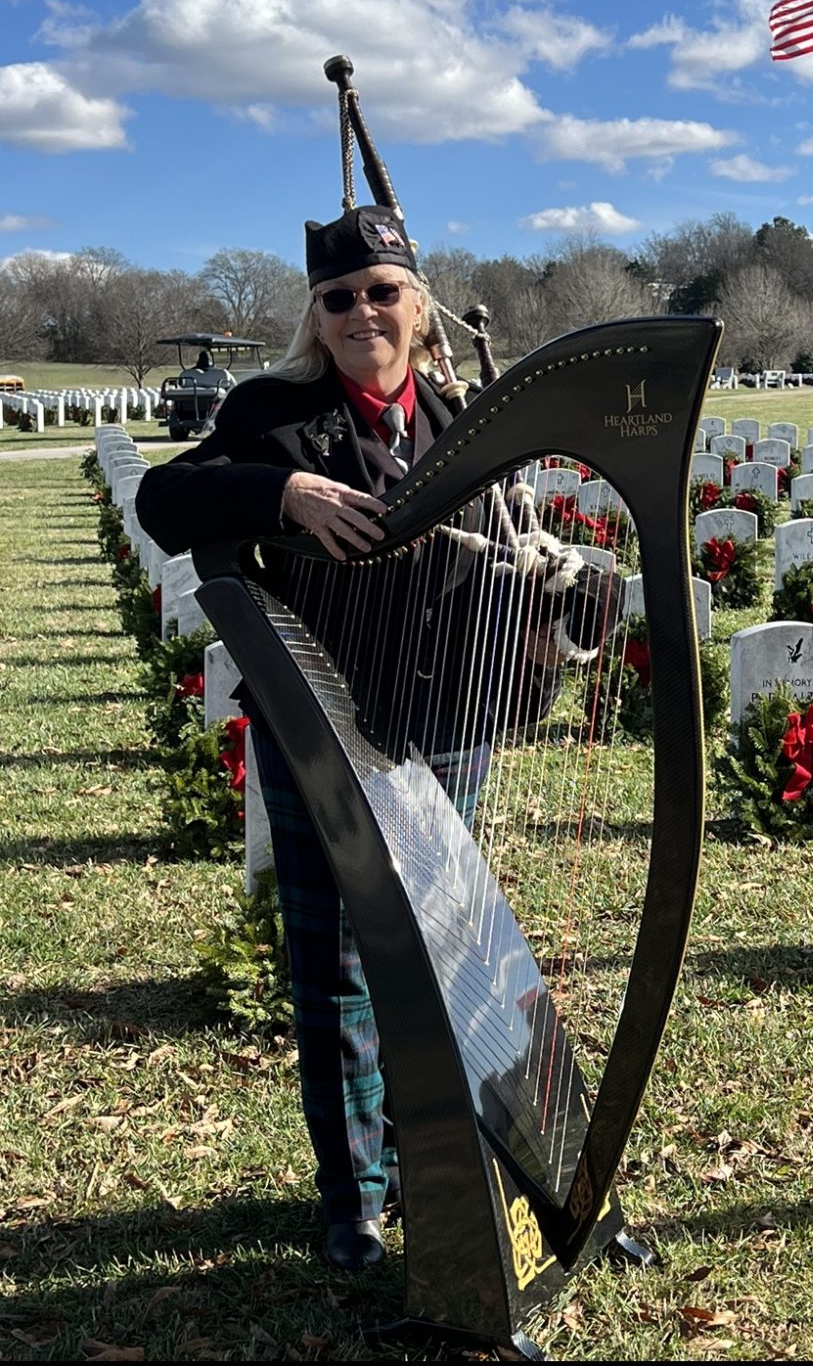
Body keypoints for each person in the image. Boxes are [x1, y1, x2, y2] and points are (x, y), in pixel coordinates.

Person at [136, 204, 620, 1272]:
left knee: (444, 957)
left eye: (381, 291)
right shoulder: (274, 413)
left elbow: (484, 581)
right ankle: (352, 1200)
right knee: (340, 973)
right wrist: (285, 493)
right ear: (317, 313)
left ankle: (433, 1160)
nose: (362, 311)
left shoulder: (466, 421)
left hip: (444, 729)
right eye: (338, 297)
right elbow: (165, 498)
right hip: (324, 734)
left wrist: (553, 634)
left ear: (418, 302)